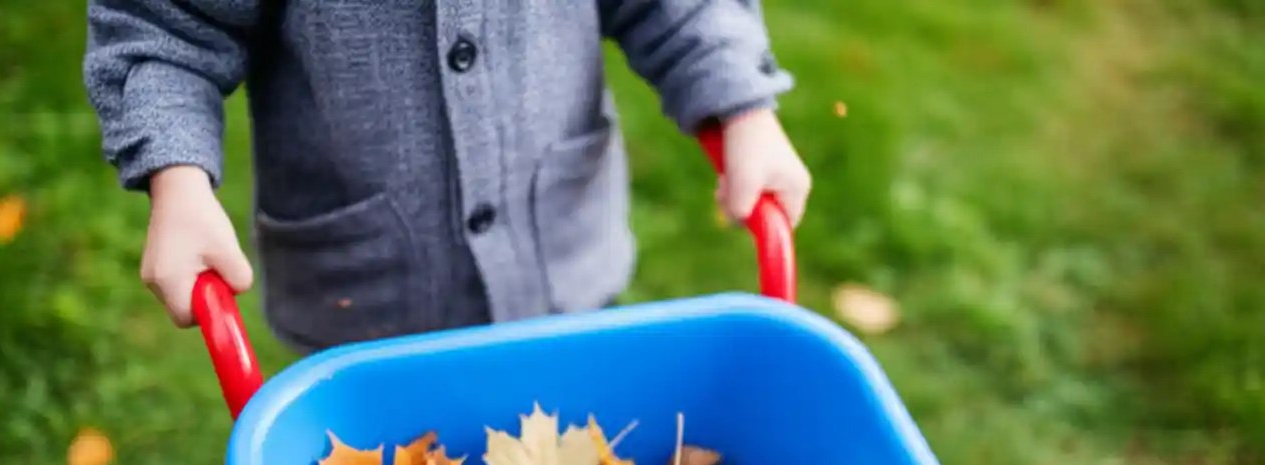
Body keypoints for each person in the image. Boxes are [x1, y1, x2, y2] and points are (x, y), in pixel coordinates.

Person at [83, 0, 811, 352]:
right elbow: (168, 27)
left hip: (561, 264)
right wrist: (176, 178)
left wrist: (742, 106)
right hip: (366, 303)